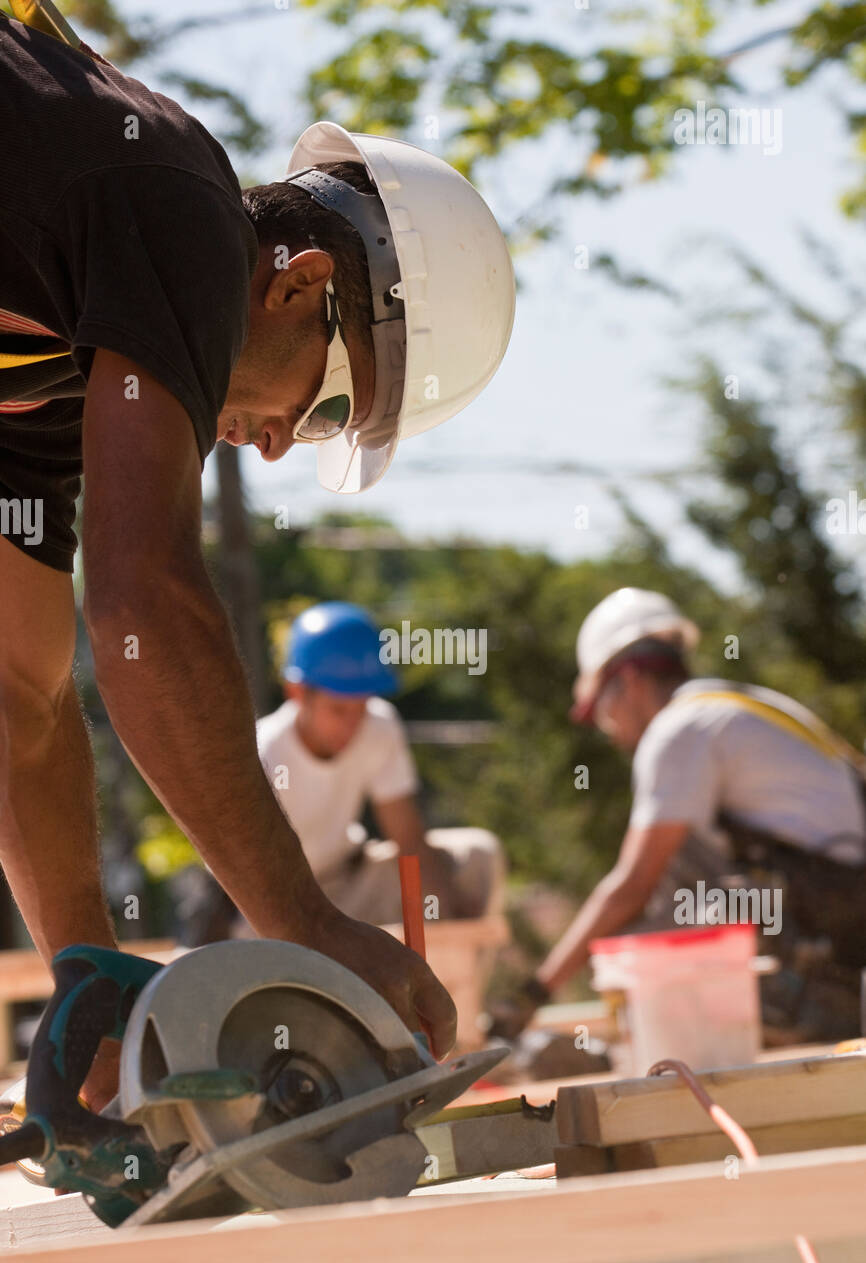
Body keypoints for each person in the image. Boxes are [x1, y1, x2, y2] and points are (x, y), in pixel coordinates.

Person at [0, 13, 515, 1108]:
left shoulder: (51, 363)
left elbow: (19, 695)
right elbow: (145, 597)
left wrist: (88, 985)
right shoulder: (174, 200)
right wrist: (306, 919)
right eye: (328, 406)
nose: (282, 441)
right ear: (299, 282)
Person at [493, 588, 866, 1044]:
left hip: (826, 925)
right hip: (837, 914)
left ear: (627, 679)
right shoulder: (731, 705)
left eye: (598, 709)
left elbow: (631, 887)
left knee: (669, 856)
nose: (606, 729)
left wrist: (533, 993)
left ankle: (768, 1010)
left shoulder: (677, 731)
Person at [254, 602, 505, 927]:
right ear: (298, 693)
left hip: (348, 886)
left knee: (477, 857)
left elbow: (408, 838)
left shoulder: (379, 725)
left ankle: (452, 973)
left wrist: (447, 916)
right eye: (338, 711)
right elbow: (250, 873)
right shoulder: (263, 753)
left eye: (361, 707)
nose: (353, 725)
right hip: (272, 905)